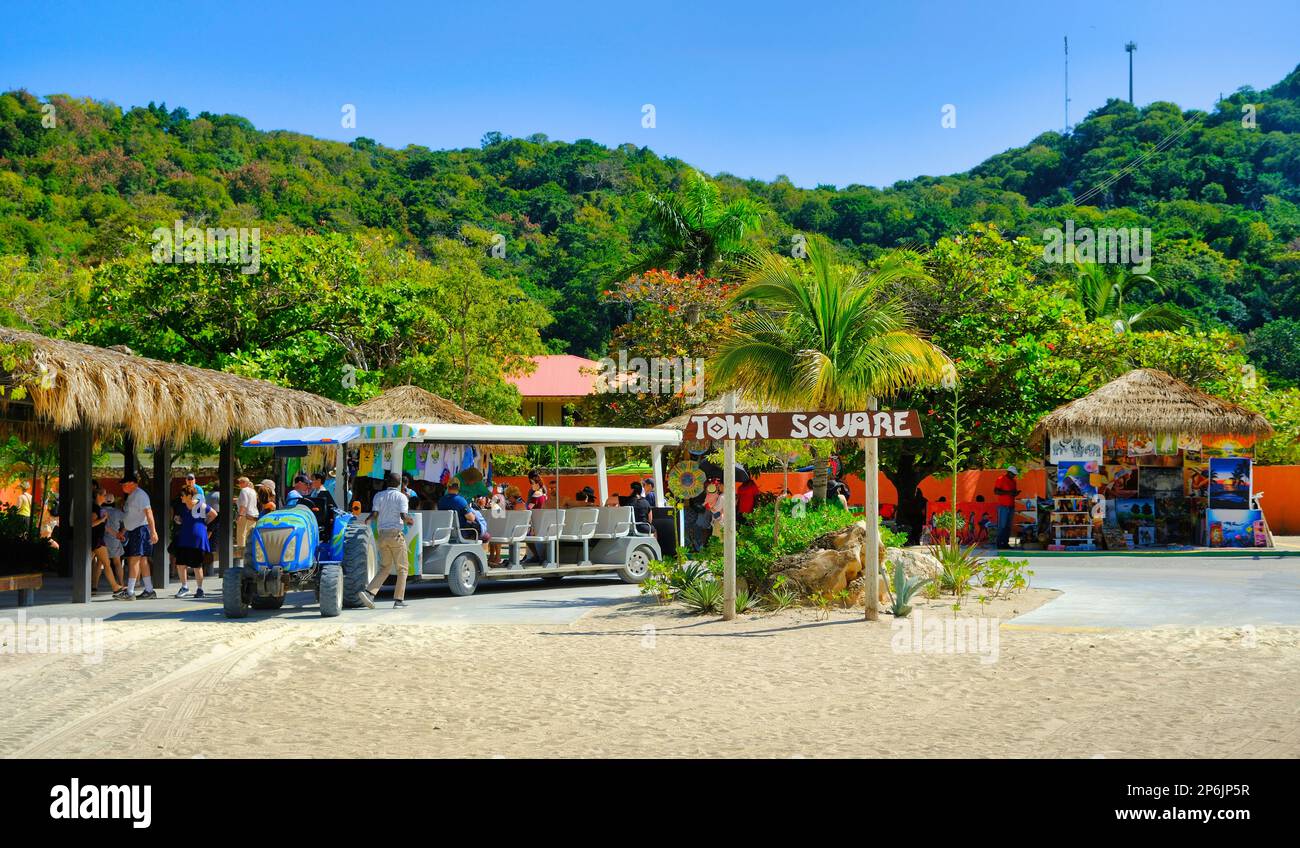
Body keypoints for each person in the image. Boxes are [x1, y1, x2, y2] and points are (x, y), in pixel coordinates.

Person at [358, 472, 414, 609]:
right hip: (395, 535)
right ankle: (398, 601)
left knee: (385, 567)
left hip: (382, 535)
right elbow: (403, 515)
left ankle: (369, 593)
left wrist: (367, 520)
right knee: (402, 568)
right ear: (399, 483)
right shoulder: (402, 497)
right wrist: (409, 521)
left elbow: (375, 514)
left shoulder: (379, 496)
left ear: (387, 482)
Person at [117, 472, 158, 600]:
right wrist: (124, 530)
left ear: (133, 484)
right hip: (135, 530)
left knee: (134, 559)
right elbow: (132, 516)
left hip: (140, 530)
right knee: (142, 560)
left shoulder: (140, 495)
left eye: (125, 483)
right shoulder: (132, 495)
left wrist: (153, 531)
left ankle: (129, 592)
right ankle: (149, 590)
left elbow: (149, 513)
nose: (123, 486)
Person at [173, 482, 216, 598]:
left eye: (183, 495)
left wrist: (204, 524)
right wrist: (178, 520)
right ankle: (184, 587)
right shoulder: (182, 506)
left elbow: (214, 514)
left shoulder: (200, 505)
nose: (181, 497)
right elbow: (181, 518)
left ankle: (200, 589)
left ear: (189, 496)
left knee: (197, 565)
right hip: (185, 537)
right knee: (180, 563)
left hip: (197, 539)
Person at [90, 486, 123, 595]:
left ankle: (94, 586)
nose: (105, 496)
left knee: (99, 563)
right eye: (104, 495)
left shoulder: (99, 508)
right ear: (98, 496)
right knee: (106, 563)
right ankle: (115, 587)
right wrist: (102, 519)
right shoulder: (95, 508)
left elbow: (105, 527)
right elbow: (92, 523)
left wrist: (117, 534)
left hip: (98, 539)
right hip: (96, 540)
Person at [103, 492, 126, 589]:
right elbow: (127, 523)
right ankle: (121, 583)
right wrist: (121, 533)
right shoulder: (117, 512)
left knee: (100, 563)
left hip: (101, 539)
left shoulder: (100, 510)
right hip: (114, 539)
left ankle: (93, 585)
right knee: (117, 562)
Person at [993, 465, 1020, 548]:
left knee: (1008, 526)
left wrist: (1015, 493)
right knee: (1002, 525)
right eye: (1013, 474)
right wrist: (1009, 493)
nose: (1014, 475)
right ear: (1008, 472)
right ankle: (999, 543)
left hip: (1011, 506)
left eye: (1015, 474)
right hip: (1003, 506)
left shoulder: (1013, 481)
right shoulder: (1001, 479)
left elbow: (1012, 492)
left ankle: (1005, 543)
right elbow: (996, 491)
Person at [235, 477, 259, 562]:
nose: (239, 485)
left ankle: (241, 559)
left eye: (239, 482)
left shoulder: (244, 490)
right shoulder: (253, 491)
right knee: (250, 537)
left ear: (243, 482)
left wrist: (240, 515)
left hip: (245, 516)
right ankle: (250, 558)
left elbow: (244, 504)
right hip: (253, 516)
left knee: (241, 537)